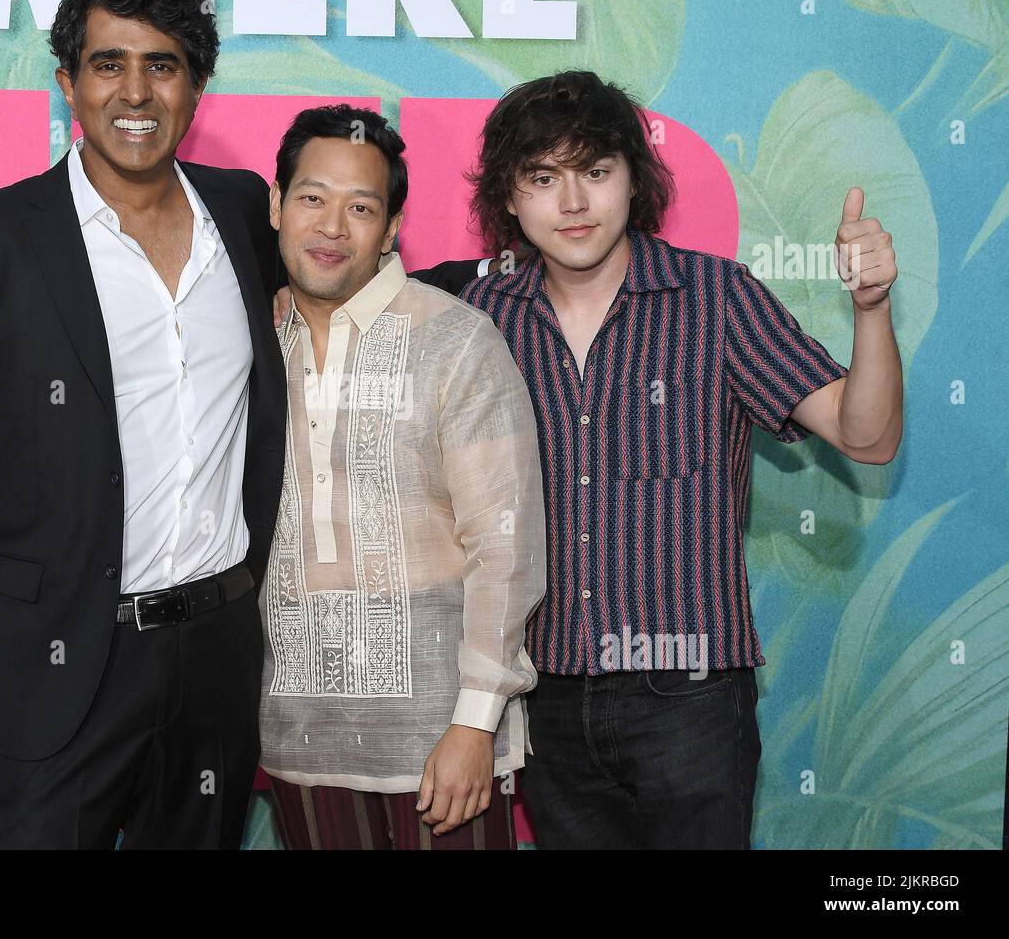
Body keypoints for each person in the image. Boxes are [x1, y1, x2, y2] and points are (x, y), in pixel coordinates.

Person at [274, 70, 902, 848]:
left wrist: (870, 311)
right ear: (507, 197)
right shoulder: (479, 317)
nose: (572, 204)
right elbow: (334, 287)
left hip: (689, 698)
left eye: (595, 173)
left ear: (634, 180)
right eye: (542, 178)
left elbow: (865, 433)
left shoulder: (716, 299)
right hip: (545, 705)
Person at [0, 0, 285, 849]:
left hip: (219, 652)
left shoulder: (244, 214)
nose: (135, 91)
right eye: (109, 64)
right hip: (60, 660)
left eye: (163, 64)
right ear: (69, 82)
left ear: (197, 86)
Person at [258, 104, 547, 849]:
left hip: (439, 738)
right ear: (275, 205)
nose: (331, 226)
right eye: (311, 198)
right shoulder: (251, 344)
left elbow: (506, 547)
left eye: (361, 207)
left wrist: (474, 722)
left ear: (390, 229)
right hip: (297, 739)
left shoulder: (455, 340)